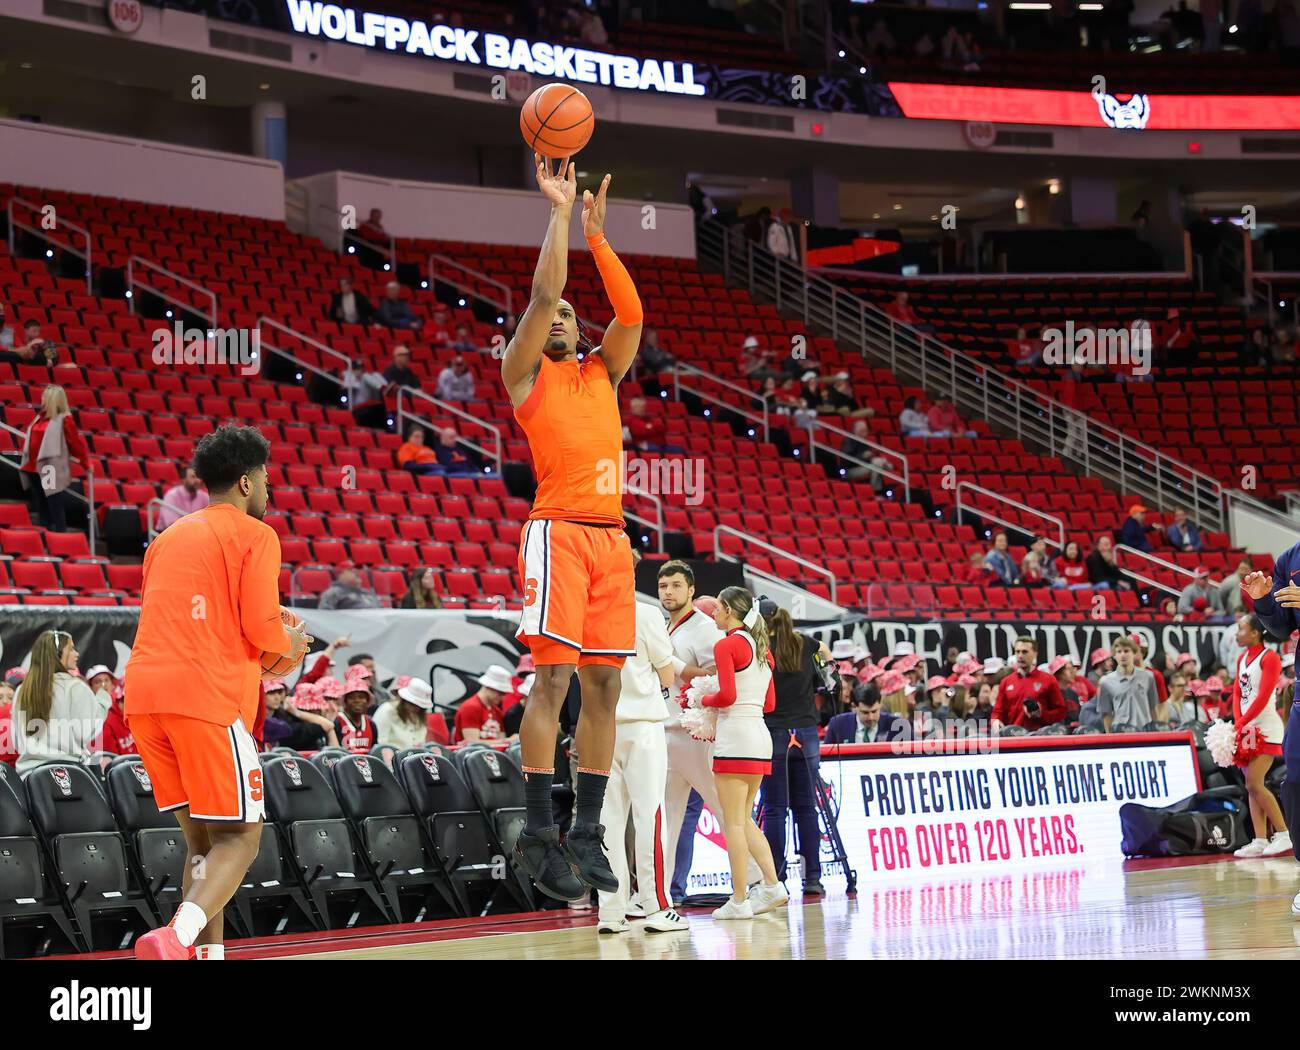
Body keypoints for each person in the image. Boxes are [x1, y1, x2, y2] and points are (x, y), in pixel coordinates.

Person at [500, 157, 642, 901]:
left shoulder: (600, 372)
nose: (559, 317)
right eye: (551, 316)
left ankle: (585, 830)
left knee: (606, 686)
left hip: (613, 539)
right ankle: (534, 828)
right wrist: (558, 213)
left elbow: (632, 317)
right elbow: (543, 291)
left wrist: (599, 237)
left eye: (568, 318)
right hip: (556, 532)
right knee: (552, 680)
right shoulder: (525, 373)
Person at [123, 424, 310, 961]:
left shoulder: (165, 539)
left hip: (145, 696)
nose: (270, 490)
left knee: (203, 842)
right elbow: (261, 627)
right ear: (248, 483)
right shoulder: (257, 535)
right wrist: (289, 642)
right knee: (242, 838)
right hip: (204, 696)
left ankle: (208, 955)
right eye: (268, 480)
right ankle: (175, 939)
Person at [657, 562, 759, 905]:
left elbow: (720, 679)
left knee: (725, 811)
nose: (668, 592)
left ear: (690, 589)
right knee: (667, 822)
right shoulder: (664, 627)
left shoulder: (704, 629)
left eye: (675, 585)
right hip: (667, 732)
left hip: (696, 734)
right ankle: (661, 894)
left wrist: (680, 669)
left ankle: (760, 882)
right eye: (663, 586)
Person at [596, 573, 687, 934]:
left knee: (608, 823)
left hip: (600, 728)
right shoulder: (646, 613)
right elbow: (667, 674)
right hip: (642, 725)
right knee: (650, 817)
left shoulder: (586, 613)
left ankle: (610, 913)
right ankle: (657, 907)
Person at [702, 587, 786, 920]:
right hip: (759, 737)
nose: (714, 614)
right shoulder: (763, 649)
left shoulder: (726, 645)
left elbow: (726, 695)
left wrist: (701, 700)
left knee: (733, 823)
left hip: (735, 736)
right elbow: (770, 704)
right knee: (745, 819)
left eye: (717, 608)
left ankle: (738, 901)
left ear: (729, 610)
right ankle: (772, 884)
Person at [759, 605, 831, 897]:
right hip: (805, 731)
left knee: (775, 809)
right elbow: (830, 677)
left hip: (773, 732)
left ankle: (776, 878)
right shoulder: (810, 645)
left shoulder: (761, 648)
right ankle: (812, 877)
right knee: (806, 808)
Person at [1228, 614, 1291, 857]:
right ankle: (1260, 839)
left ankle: (1284, 834)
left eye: (1241, 628)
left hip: (1266, 727)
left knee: (1253, 783)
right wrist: (1238, 722)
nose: (1237, 633)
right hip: (1246, 728)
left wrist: (1242, 722)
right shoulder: (1242, 658)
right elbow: (1236, 693)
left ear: (1255, 632)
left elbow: (1264, 696)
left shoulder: (1271, 657)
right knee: (1252, 786)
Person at [11, 630, 110, 774]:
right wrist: (103, 701)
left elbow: (16, 739)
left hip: (29, 776)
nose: (77, 654)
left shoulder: (21, 690)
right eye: (71, 649)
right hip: (70, 772)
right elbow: (86, 732)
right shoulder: (75, 687)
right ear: (57, 654)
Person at [20, 385, 87, 533]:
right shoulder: (40, 417)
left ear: (52, 399)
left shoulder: (64, 419)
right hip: (32, 467)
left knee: (53, 503)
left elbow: (75, 443)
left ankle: (60, 535)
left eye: (45, 396)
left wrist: (85, 462)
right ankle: (46, 536)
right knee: (41, 504)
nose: (42, 399)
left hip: (49, 467)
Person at [991, 636, 1066, 730]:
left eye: (1024, 652)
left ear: (1035, 654)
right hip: (1012, 736)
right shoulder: (1006, 682)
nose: (1020, 656)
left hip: (1039, 737)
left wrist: (1041, 714)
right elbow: (997, 711)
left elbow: (1061, 711)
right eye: (1017, 651)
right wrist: (996, 722)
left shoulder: (1048, 680)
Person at [1096, 637, 1159, 733]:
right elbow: (1106, 714)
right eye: (1119, 651)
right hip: (1120, 734)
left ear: (1134, 653)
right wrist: (1110, 738)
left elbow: (1153, 708)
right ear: (1114, 655)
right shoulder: (1105, 682)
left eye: (1126, 651)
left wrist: (1156, 733)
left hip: (1145, 733)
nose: (1123, 655)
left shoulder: (1148, 677)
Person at [824, 684, 907, 743]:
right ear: (854, 707)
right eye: (865, 712)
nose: (871, 717)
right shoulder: (837, 724)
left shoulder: (898, 726)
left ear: (880, 704)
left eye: (874, 711)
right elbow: (827, 759)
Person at [453, 665, 513, 743]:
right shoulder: (470, 707)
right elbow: (472, 743)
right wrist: (508, 741)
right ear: (488, 687)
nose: (502, 698)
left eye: (504, 694)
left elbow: (501, 737)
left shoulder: (496, 711)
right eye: (500, 693)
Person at [374, 677, 434, 748]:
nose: (416, 709)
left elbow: (421, 743)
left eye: (421, 707)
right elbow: (379, 744)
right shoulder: (386, 710)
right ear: (404, 700)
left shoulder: (419, 716)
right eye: (412, 704)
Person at [155, 463, 209, 531]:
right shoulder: (171, 496)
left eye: (199, 477)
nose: (198, 480)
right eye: (193, 477)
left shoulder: (204, 496)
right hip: (167, 535)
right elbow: (171, 524)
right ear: (183, 480)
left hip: (194, 533)